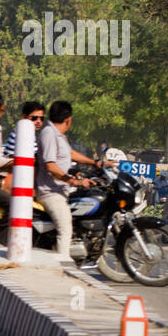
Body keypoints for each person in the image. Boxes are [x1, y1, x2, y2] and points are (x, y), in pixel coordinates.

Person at [36, 100, 110, 264]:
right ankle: (63, 266)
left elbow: (71, 154)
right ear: (68, 119)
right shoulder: (49, 133)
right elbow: (50, 165)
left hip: (62, 190)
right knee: (65, 226)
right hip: (50, 193)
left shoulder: (58, 135)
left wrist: (94, 163)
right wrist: (74, 181)